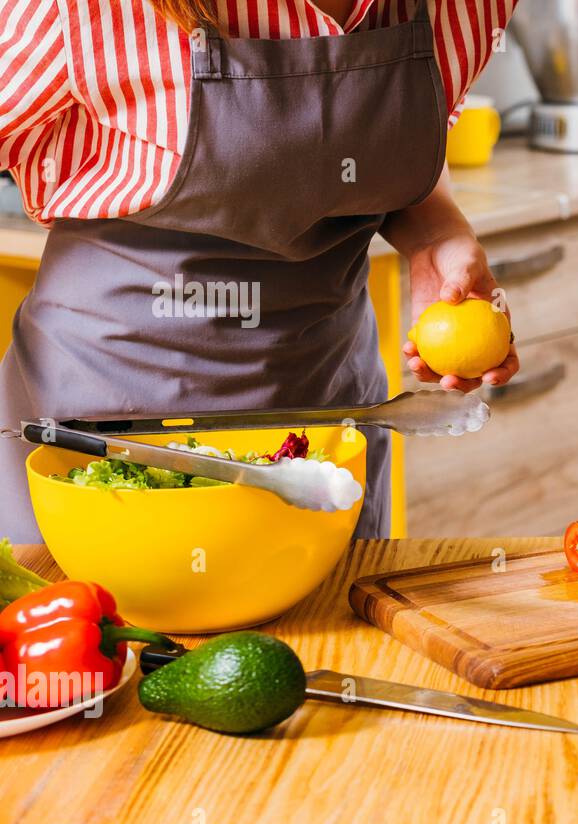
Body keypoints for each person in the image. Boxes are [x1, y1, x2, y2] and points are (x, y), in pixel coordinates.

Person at [0, 0, 520, 542]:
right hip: (98, 432)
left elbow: (377, 147)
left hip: (324, 426)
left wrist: (437, 235)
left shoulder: (467, 8)